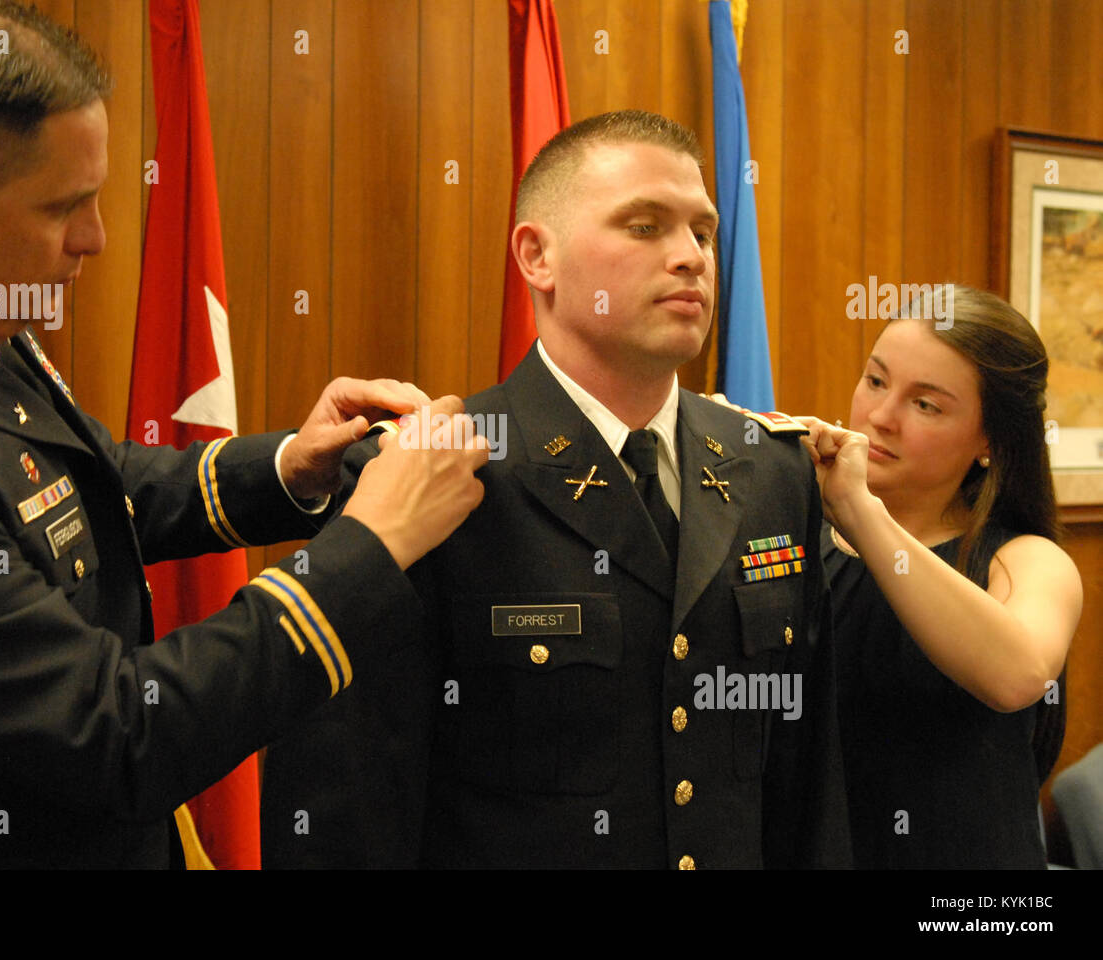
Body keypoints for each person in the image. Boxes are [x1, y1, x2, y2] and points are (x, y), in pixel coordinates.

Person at [0, 0, 488, 868]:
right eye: (64, 207)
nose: (93, 239)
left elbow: (90, 487)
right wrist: (371, 544)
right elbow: (117, 735)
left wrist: (289, 468)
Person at [260, 110, 851, 868]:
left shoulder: (770, 470)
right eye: (644, 226)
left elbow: (805, 788)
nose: (691, 258)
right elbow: (348, 793)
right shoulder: (433, 469)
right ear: (537, 255)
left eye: (702, 232)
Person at [794, 286, 1081, 868]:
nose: (880, 417)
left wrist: (859, 511)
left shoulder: (1025, 560)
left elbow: (1016, 673)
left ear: (989, 443)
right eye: (875, 381)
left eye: (926, 404)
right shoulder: (796, 531)